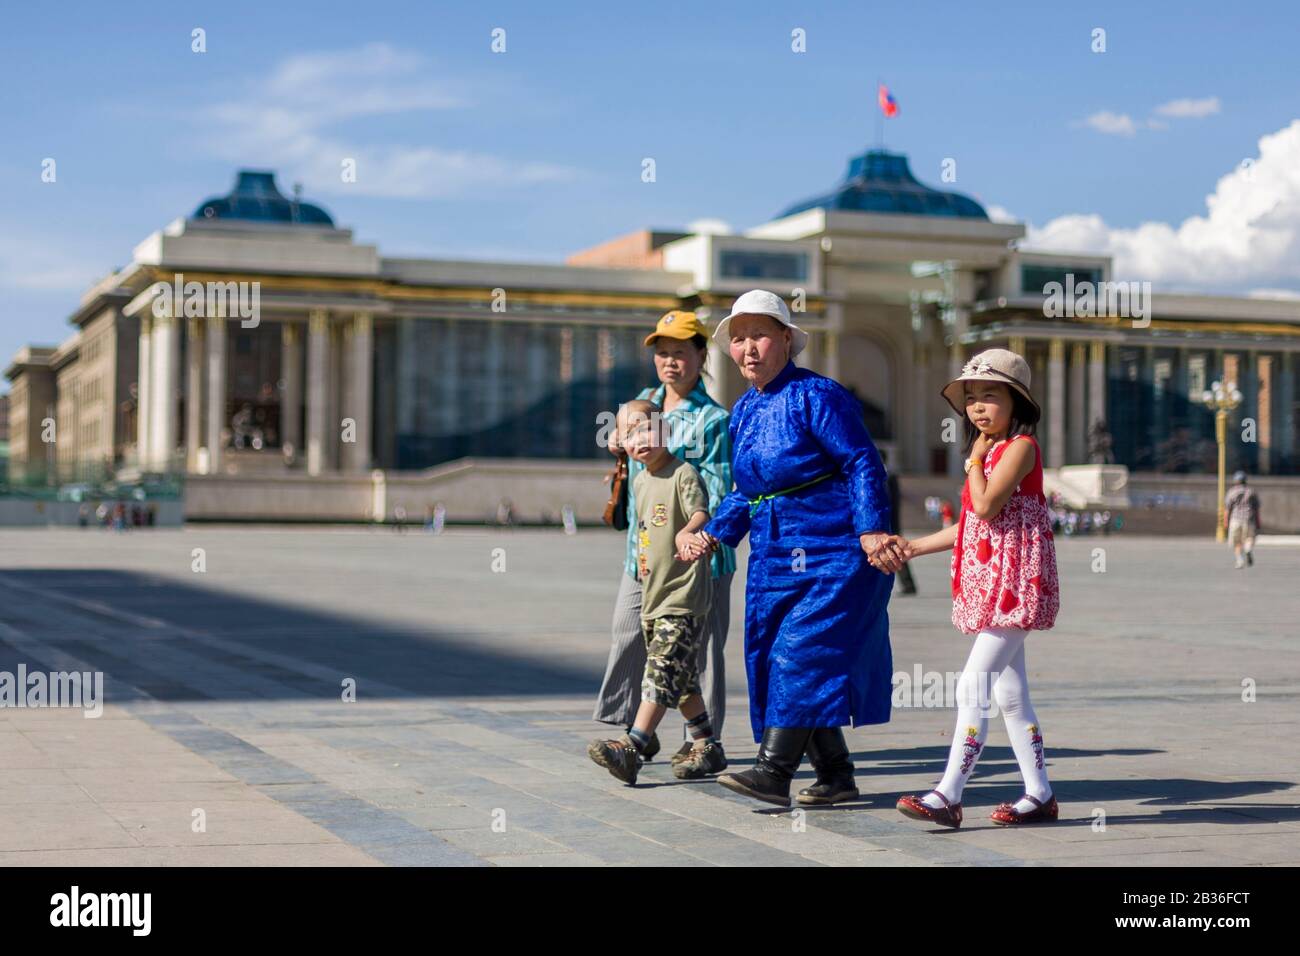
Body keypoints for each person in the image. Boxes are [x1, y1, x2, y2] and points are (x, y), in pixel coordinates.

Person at [683, 289, 905, 808]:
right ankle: (837, 774)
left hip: (835, 554)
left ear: (786, 339)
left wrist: (871, 528)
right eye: (738, 339)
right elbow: (745, 490)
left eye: (759, 335)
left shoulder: (818, 395)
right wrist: (713, 533)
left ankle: (773, 770)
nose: (748, 349)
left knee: (798, 655)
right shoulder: (743, 411)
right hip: (773, 557)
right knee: (779, 656)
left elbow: (862, 463)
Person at [893, 348, 1060, 829]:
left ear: (1017, 403)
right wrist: (914, 547)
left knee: (973, 684)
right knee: (1011, 695)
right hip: (992, 583)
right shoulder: (990, 453)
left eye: (990, 396)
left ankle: (948, 794)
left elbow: (985, 507)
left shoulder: (1020, 448)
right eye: (971, 399)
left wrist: (972, 462)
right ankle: (1040, 793)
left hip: (1015, 582)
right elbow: (970, 526)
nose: (978, 407)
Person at [593, 311, 734, 766]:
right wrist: (622, 440)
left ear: (699, 356)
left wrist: (697, 532)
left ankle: (696, 742)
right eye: (662, 353)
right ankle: (636, 729)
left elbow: (717, 488)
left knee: (699, 650)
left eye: (679, 352)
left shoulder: (712, 418)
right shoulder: (640, 404)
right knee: (629, 634)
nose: (670, 362)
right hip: (643, 551)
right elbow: (625, 453)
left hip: (696, 558)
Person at [1224, 471, 1261, 568]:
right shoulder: (1251, 492)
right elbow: (1256, 508)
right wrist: (1258, 521)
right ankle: (1248, 549)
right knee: (1249, 538)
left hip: (1235, 519)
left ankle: (1240, 560)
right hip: (1249, 519)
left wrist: (1225, 521)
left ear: (1236, 481)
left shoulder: (1231, 492)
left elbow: (1227, 509)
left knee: (1237, 542)